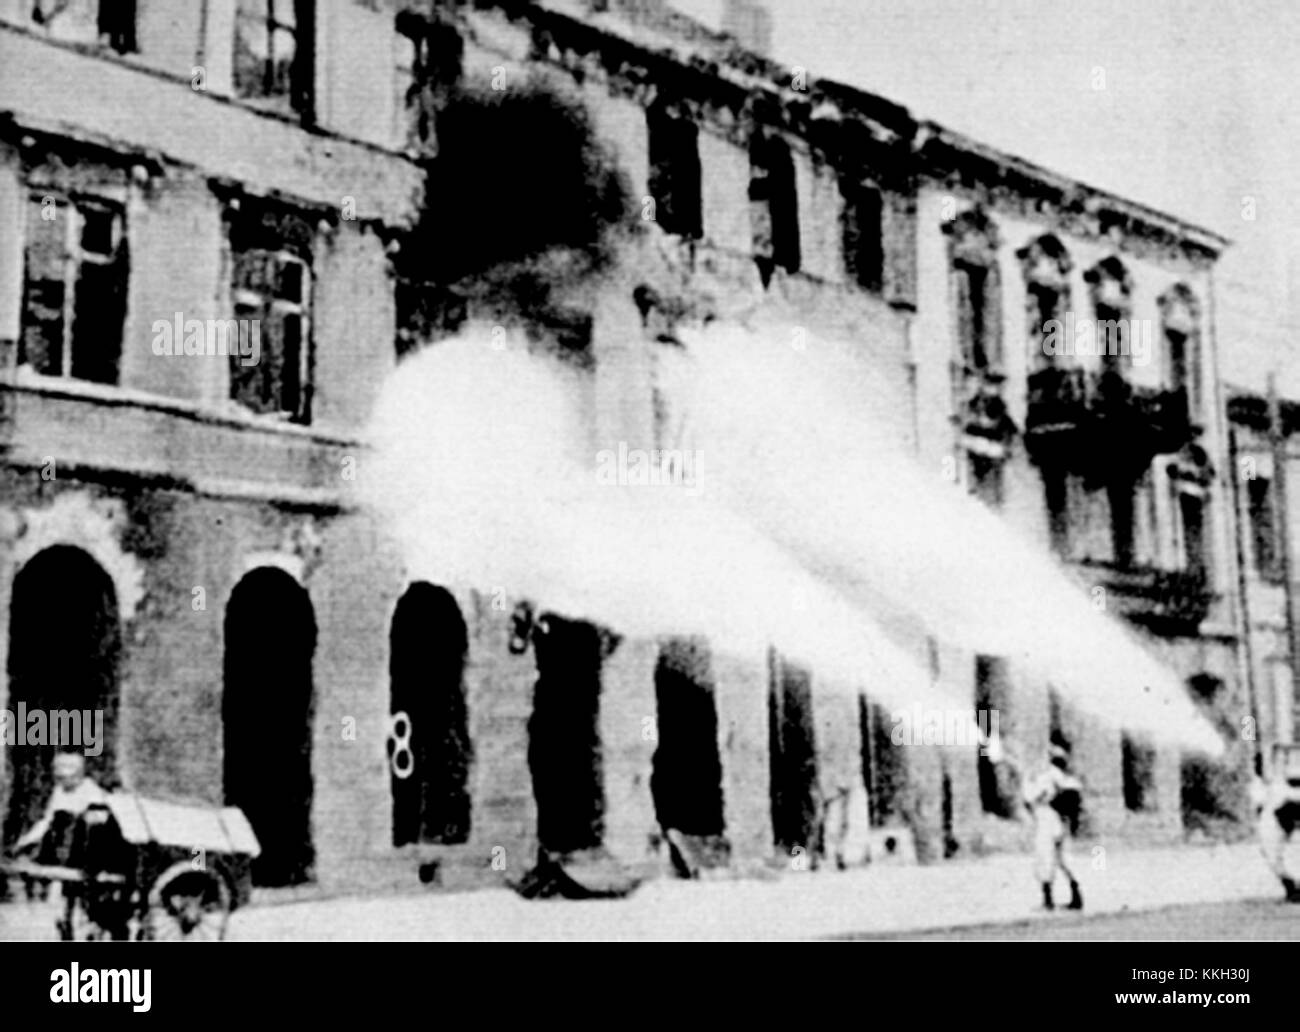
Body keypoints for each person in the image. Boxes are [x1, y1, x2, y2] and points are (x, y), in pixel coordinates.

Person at [11, 752, 108, 898]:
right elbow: (47, 821)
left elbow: (98, 826)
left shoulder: (92, 792)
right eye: (60, 777)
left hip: (83, 851)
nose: (62, 781)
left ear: (78, 775)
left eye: (66, 777)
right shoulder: (59, 791)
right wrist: (25, 841)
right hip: (60, 848)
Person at [1022, 743, 1084, 911]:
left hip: (1046, 818)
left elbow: (1030, 798)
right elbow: (1074, 789)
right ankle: (1076, 896)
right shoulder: (1061, 776)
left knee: (1044, 858)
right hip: (1060, 820)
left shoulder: (1045, 775)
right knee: (1063, 859)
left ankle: (1048, 900)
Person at [1251, 748, 1300, 902]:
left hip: (1286, 807)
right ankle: (1292, 887)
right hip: (1276, 813)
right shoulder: (1261, 784)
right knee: (1270, 853)